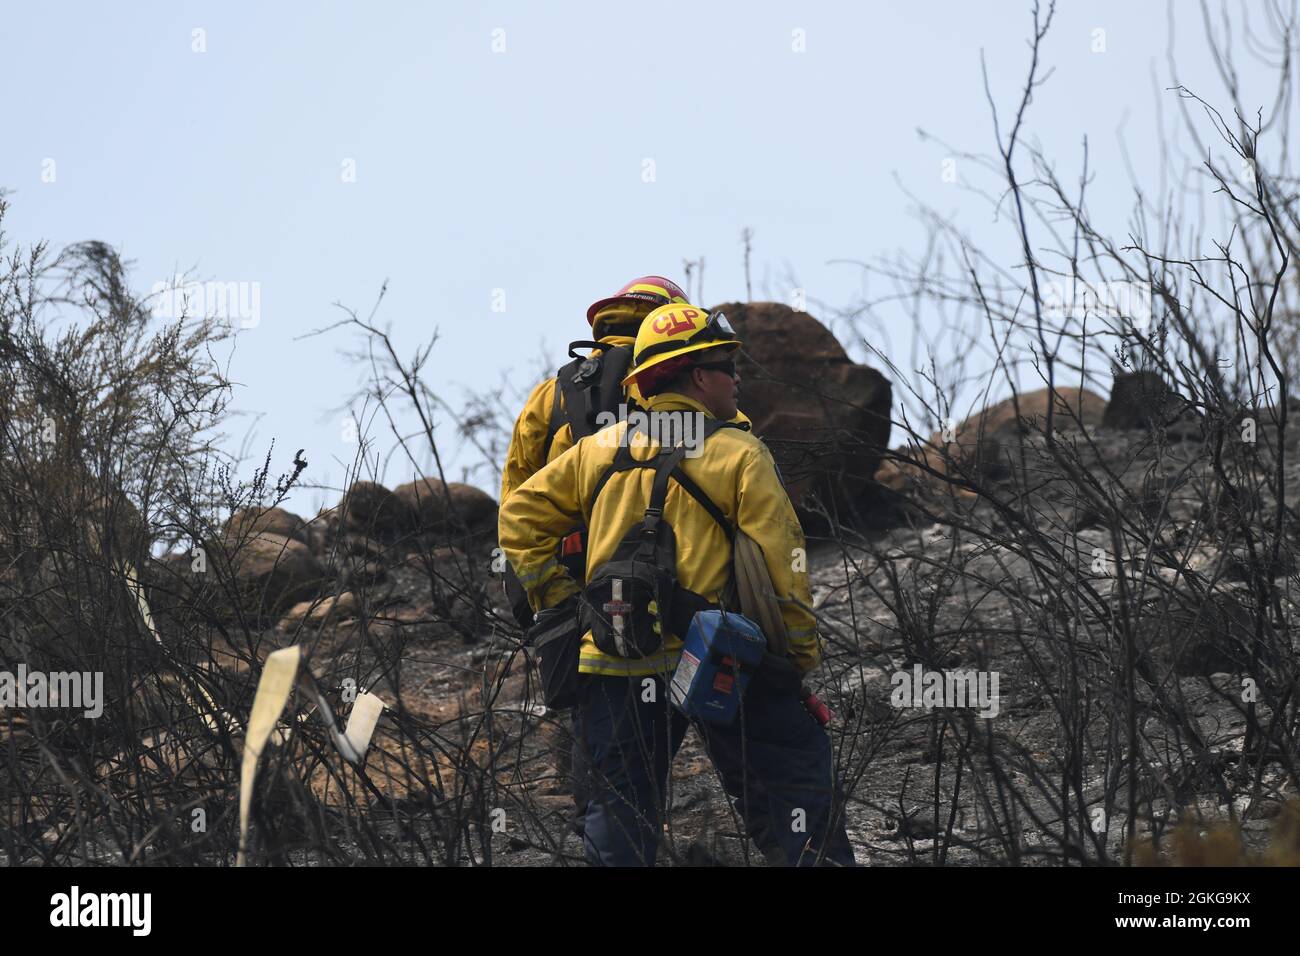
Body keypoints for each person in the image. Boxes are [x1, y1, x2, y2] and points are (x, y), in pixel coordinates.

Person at [499, 303, 854, 866]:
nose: (737, 378)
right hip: (722, 662)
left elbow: (518, 518)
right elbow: (783, 568)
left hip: (614, 664)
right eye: (727, 366)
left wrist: (562, 603)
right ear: (697, 376)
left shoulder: (599, 449)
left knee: (618, 827)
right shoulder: (740, 454)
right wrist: (796, 662)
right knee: (793, 793)